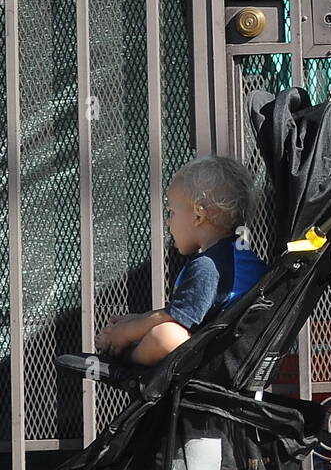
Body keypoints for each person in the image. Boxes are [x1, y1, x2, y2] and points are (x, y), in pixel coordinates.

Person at [95, 155, 268, 366]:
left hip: (214, 362)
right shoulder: (240, 259)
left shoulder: (208, 266)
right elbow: (181, 310)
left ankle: (124, 357)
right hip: (237, 355)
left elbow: (177, 318)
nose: (168, 221)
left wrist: (124, 333)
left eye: (172, 212)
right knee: (151, 324)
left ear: (198, 216)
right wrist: (136, 321)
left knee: (166, 335)